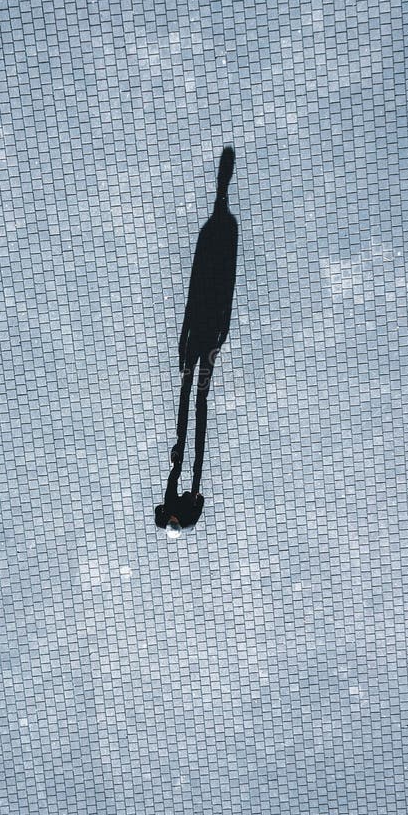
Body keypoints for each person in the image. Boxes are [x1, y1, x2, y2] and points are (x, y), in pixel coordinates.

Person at [170, 146, 238, 502]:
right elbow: (223, 284)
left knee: (193, 393)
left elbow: (198, 288)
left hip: (202, 329)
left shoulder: (214, 232)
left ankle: (185, 451)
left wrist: (188, 336)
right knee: (197, 395)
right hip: (207, 331)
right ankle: (188, 455)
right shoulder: (222, 231)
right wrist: (219, 332)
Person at [155, 460, 204, 531]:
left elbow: (157, 509)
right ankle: (180, 463)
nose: (172, 517)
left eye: (170, 519)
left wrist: (163, 507)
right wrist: (200, 498)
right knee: (190, 493)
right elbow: (198, 510)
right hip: (185, 504)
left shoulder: (160, 523)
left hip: (171, 503)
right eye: (174, 519)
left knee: (172, 482)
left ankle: (177, 463)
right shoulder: (190, 523)